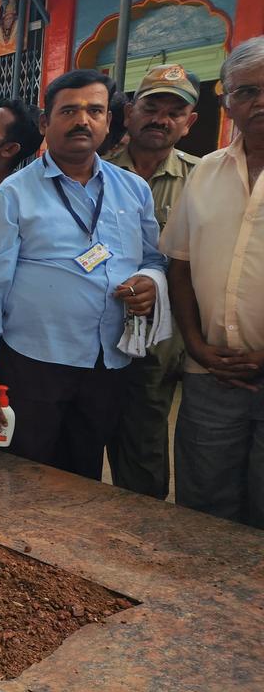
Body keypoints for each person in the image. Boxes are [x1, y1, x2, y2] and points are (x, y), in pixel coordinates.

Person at [0, 69, 166, 479]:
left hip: (107, 363)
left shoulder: (134, 190)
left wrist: (150, 281)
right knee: (22, 475)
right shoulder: (11, 195)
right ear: (45, 123)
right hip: (34, 363)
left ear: (108, 122)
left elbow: (153, 258)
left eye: (95, 111)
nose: (82, 121)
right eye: (69, 111)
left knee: (84, 477)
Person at [160, 37, 264, 527]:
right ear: (228, 104)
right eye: (246, 91)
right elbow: (179, 266)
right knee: (203, 512)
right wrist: (197, 346)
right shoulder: (205, 172)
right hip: (210, 375)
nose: (259, 102)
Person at [105, 65, 201, 499]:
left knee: (143, 446)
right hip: (94, 334)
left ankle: (137, 531)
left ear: (189, 122)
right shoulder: (95, 171)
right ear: (129, 113)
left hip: (160, 343)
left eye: (174, 112)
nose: (161, 119)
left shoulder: (202, 178)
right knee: (80, 437)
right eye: (151, 108)